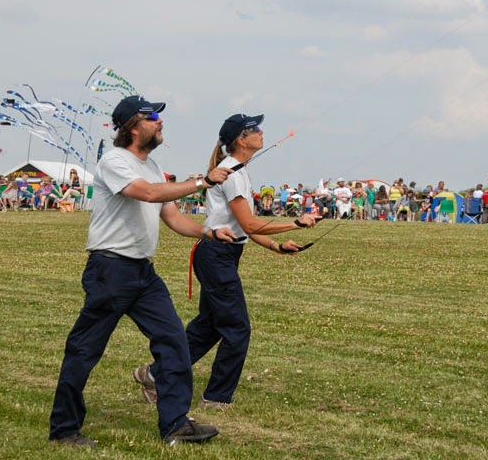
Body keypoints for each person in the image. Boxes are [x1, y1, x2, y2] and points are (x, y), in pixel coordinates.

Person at [49, 95, 235, 448]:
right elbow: (147, 194)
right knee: (85, 350)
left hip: (142, 273)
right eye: (153, 117)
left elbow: (172, 216)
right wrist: (202, 182)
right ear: (133, 126)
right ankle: (64, 429)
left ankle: (175, 424)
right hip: (110, 270)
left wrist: (208, 232)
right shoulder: (114, 161)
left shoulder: (153, 167)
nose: (160, 122)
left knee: (174, 343)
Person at [131, 112, 318, 414]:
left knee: (209, 327)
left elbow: (243, 228)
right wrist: (295, 224)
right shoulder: (230, 171)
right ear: (241, 139)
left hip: (221, 254)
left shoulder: (236, 170)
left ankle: (154, 375)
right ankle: (216, 397)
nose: (261, 132)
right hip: (216, 255)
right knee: (237, 328)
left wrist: (276, 246)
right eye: (255, 129)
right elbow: (250, 223)